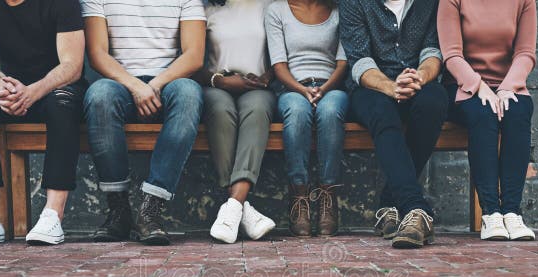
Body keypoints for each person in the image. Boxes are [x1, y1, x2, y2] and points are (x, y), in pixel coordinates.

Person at [0, 0, 86, 246]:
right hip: (13, 89)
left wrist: (33, 92)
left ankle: (52, 216)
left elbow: (72, 66)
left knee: (61, 105)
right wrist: (2, 85)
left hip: (56, 88)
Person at [81, 0, 206, 245]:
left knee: (189, 94)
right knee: (99, 96)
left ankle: (151, 210)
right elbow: (96, 54)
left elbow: (194, 56)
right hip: (120, 83)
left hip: (168, 82)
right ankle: (119, 211)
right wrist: (135, 86)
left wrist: (155, 85)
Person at [340, 0, 448, 248]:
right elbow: (359, 60)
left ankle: (389, 201)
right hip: (371, 86)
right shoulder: (353, 3)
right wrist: (392, 87)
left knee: (434, 101)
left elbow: (432, 51)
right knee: (382, 111)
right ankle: (416, 208)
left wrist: (419, 77)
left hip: (415, 80)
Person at [438, 0, 537, 240]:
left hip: (507, 84)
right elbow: (451, 55)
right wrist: (478, 85)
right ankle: (491, 213)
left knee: (519, 111)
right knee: (484, 114)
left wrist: (506, 88)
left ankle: (512, 212)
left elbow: (525, 53)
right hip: (464, 85)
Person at [266, 0, 348, 237]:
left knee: (331, 111)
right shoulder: (277, 10)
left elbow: (343, 62)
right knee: (298, 111)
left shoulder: (339, 11)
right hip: (292, 88)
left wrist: (323, 90)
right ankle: (299, 198)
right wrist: (303, 91)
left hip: (331, 87)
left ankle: (327, 198)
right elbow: (279, 66)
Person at [199, 0, 278, 244]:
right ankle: (242, 208)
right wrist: (219, 81)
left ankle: (233, 204)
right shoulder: (205, 7)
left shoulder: (268, 5)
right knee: (220, 110)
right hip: (216, 84)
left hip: (257, 87)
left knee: (257, 109)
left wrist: (266, 78)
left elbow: (281, 52)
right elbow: (192, 63)